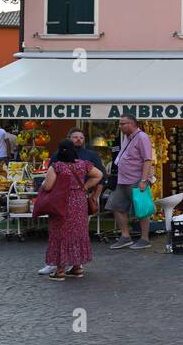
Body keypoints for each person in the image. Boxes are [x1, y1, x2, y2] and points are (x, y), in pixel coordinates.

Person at [39, 129, 107, 276]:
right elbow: (99, 175)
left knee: (60, 233)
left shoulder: (56, 166)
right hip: (79, 200)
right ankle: (77, 267)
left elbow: (48, 186)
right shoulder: (83, 164)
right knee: (78, 232)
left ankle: (60, 270)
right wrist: (84, 187)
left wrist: (44, 185)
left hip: (61, 201)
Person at [107, 114, 155, 251]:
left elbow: (147, 160)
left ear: (132, 124)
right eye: (120, 124)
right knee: (115, 205)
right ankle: (125, 236)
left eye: (123, 124)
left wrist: (144, 180)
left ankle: (145, 239)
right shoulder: (127, 138)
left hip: (136, 179)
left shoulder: (142, 137)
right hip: (122, 180)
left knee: (142, 209)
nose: (120, 126)